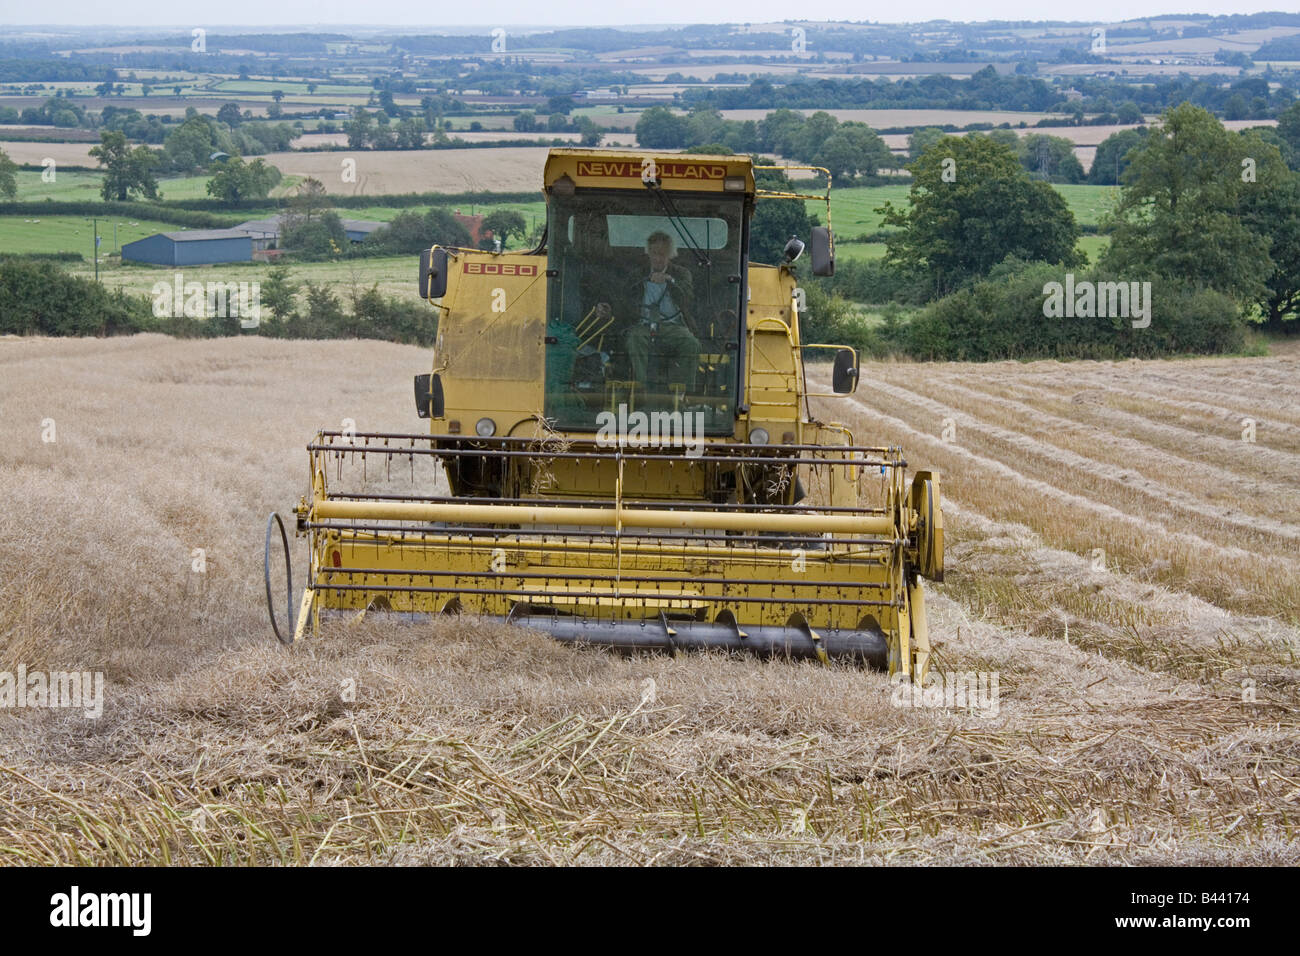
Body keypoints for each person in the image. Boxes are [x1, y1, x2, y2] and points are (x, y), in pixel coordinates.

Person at [623, 231, 698, 386]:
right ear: (648, 253)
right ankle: (641, 387)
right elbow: (626, 299)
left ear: (670, 255)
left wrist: (670, 281)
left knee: (691, 343)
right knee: (634, 338)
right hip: (643, 325)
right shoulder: (637, 274)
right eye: (654, 253)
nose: (657, 258)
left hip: (673, 326)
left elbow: (688, 298)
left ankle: (683, 393)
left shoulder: (681, 273)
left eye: (662, 254)